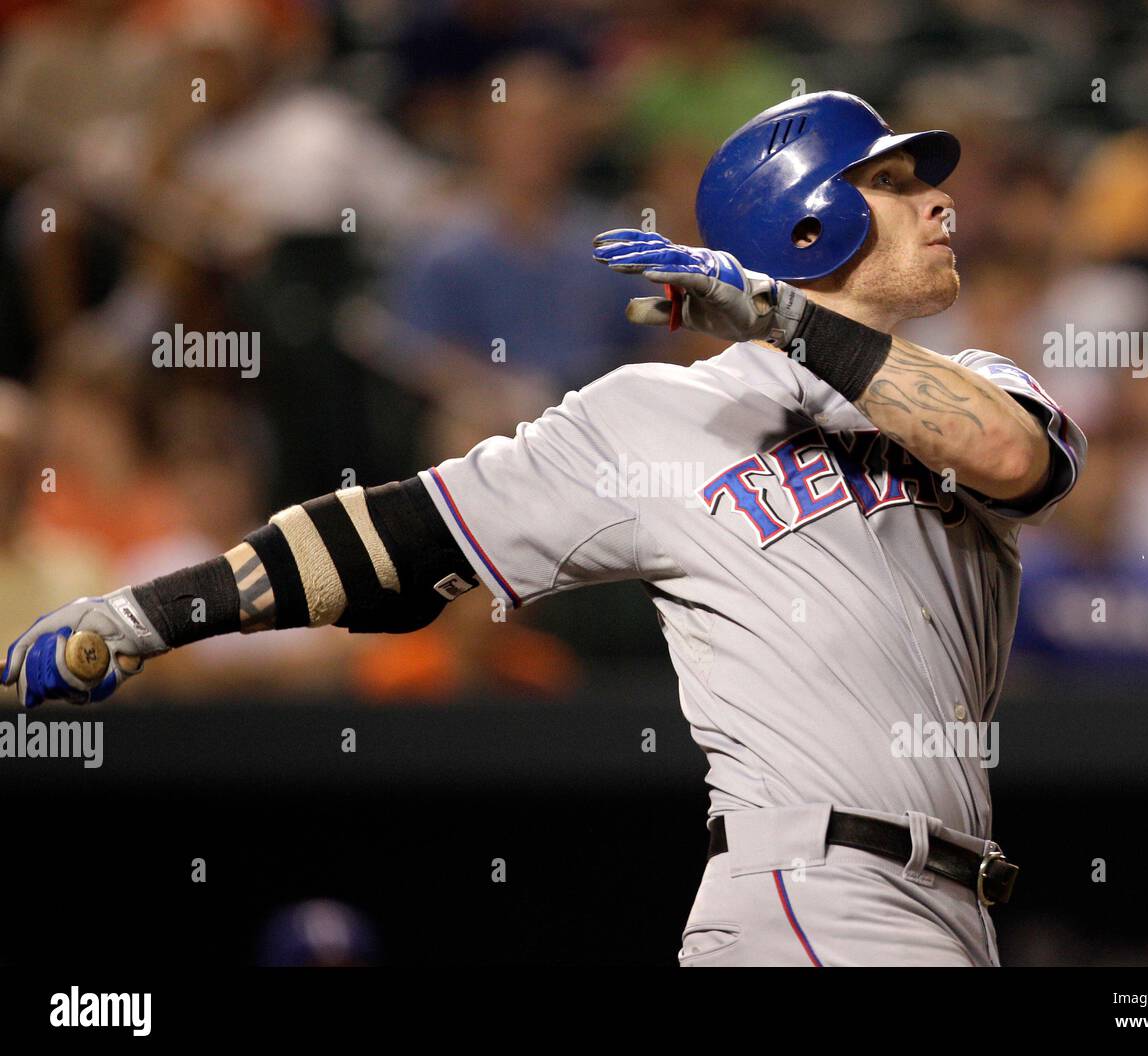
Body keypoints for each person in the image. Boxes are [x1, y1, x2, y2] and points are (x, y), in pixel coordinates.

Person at [5, 92, 1085, 966]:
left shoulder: (977, 382)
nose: (940, 201)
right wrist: (147, 612)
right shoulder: (652, 418)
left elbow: (1009, 458)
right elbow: (393, 539)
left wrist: (783, 317)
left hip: (957, 905)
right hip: (812, 895)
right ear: (810, 221)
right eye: (894, 184)